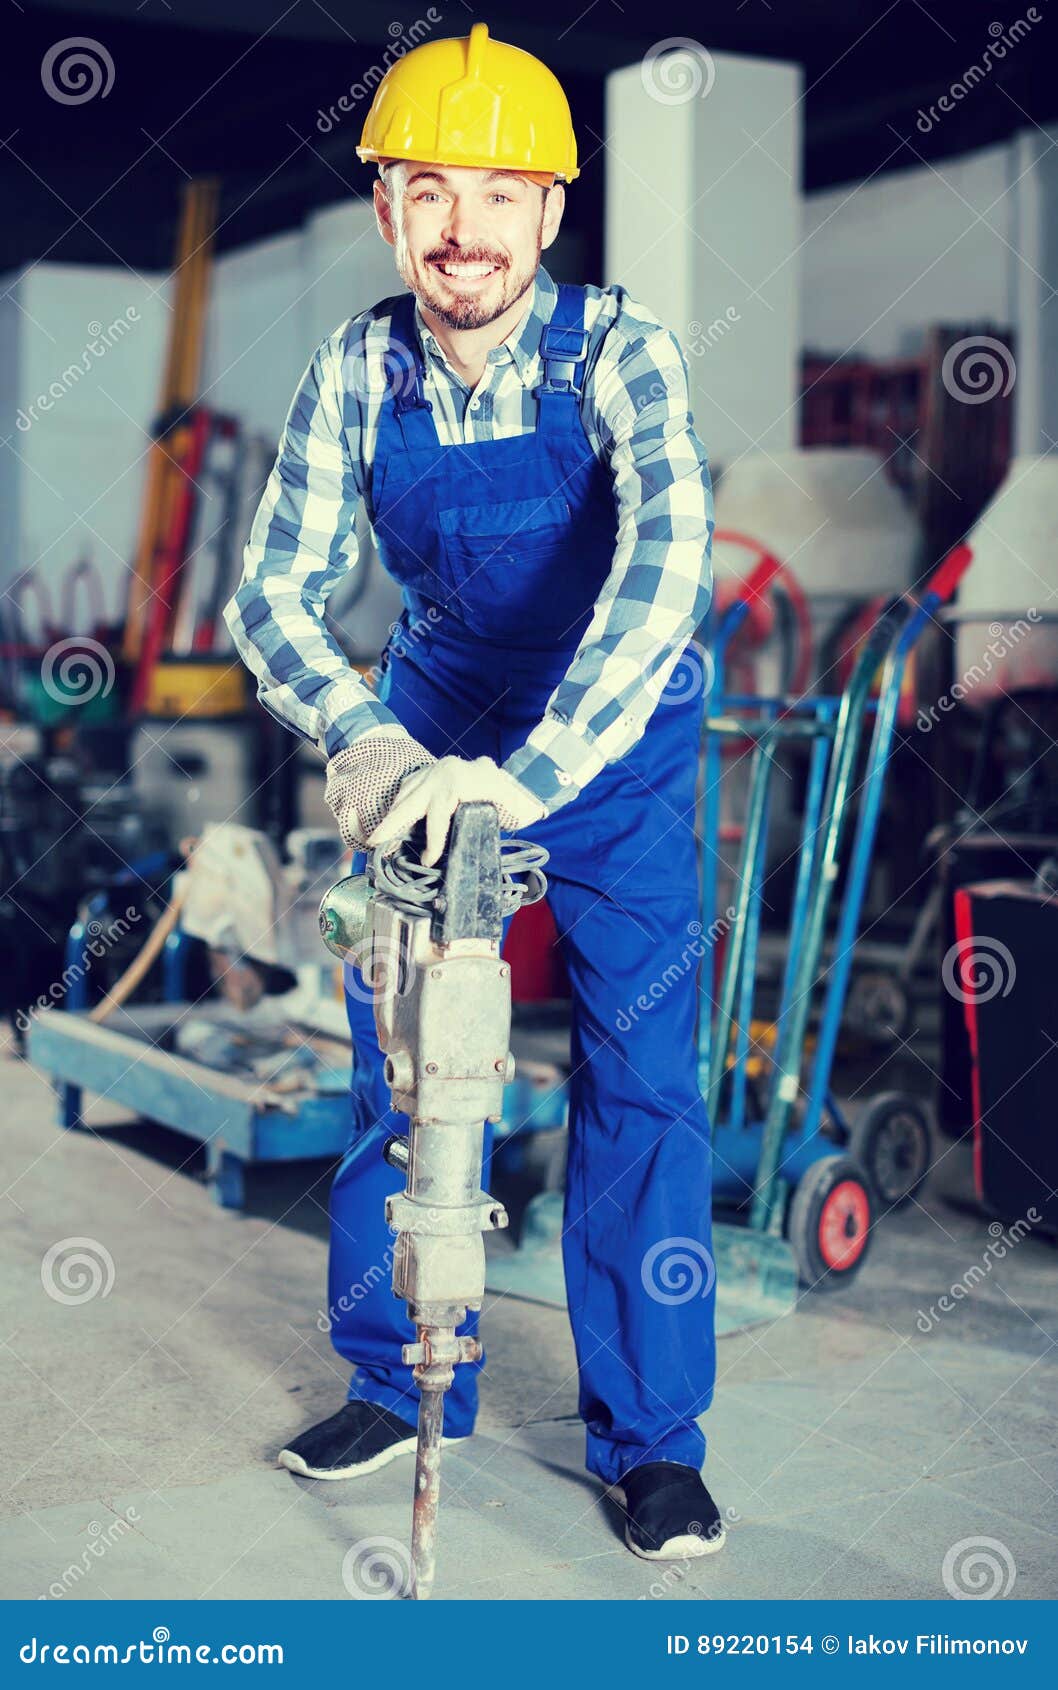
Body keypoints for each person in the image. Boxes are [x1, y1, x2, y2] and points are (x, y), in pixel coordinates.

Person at [225, 22, 722, 1562]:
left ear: (551, 213)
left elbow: (664, 574)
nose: (463, 229)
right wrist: (371, 746)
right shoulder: (356, 369)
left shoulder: (623, 352)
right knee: (406, 1058)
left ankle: (649, 1442)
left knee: (639, 1086)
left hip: (614, 742)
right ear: (384, 208)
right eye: (429, 189)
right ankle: (391, 1377)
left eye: (501, 194)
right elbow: (270, 597)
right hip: (432, 714)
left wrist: (528, 783)